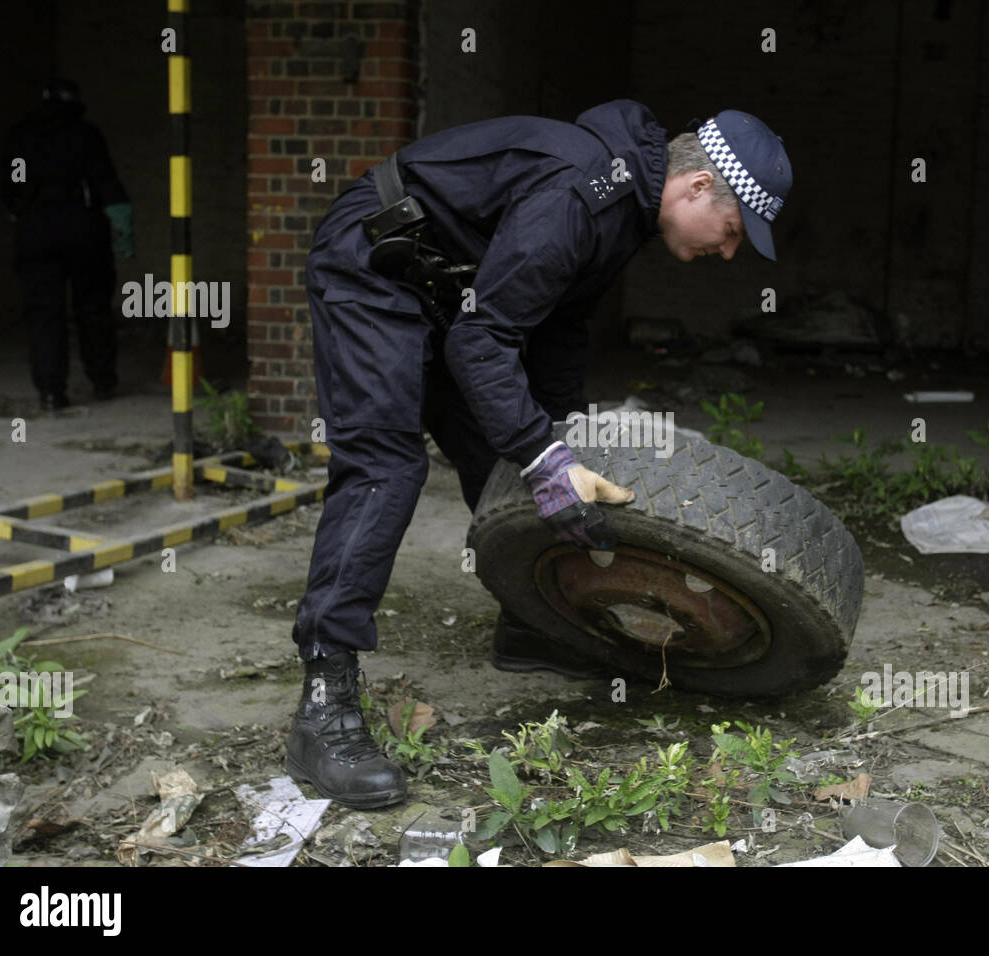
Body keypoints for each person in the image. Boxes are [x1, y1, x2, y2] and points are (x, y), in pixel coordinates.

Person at [285, 99, 792, 808]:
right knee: (386, 464)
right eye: (734, 231)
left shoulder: (623, 213)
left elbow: (555, 330)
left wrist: (555, 442)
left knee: (508, 447)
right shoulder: (579, 194)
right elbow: (483, 340)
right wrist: (543, 455)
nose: (729, 252)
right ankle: (324, 701)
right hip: (373, 260)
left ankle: (532, 624)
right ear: (700, 187)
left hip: (446, 283)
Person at [0, 78, 135, 410]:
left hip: (36, 229)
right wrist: (124, 230)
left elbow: (11, 183)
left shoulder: (21, 136)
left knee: (45, 313)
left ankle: (51, 391)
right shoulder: (86, 135)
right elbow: (105, 181)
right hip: (83, 226)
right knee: (92, 306)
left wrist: (21, 210)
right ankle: (102, 380)